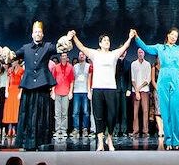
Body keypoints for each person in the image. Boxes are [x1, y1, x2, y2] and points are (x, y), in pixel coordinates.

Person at [128, 27, 179, 149]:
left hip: (176, 79)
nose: (174, 37)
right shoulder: (160, 48)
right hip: (163, 79)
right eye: (172, 34)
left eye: (176, 36)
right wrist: (136, 37)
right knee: (165, 111)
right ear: (168, 35)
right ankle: (168, 141)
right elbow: (146, 48)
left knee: (176, 111)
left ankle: (176, 141)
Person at [66, 30, 131, 150]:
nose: (107, 42)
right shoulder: (95, 54)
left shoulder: (114, 54)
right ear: (100, 43)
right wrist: (74, 37)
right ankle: (100, 142)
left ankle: (109, 139)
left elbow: (125, 46)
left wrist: (130, 37)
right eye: (105, 40)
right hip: (97, 88)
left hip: (111, 88)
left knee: (112, 116)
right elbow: (82, 47)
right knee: (98, 116)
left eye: (108, 40)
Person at [16, 22, 59, 150]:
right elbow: (13, 56)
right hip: (28, 85)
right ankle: (26, 142)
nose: (38, 34)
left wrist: (68, 38)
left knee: (40, 114)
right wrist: (3, 53)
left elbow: (61, 48)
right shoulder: (26, 47)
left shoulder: (48, 46)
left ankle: (39, 141)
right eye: (36, 32)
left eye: (40, 32)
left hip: (42, 85)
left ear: (42, 34)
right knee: (27, 113)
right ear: (32, 34)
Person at [50, 51, 76, 141]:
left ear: (67, 57)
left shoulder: (70, 67)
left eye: (65, 56)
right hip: (57, 92)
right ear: (60, 58)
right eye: (62, 56)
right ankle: (58, 130)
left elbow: (72, 81)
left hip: (66, 92)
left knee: (64, 113)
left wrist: (70, 92)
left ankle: (64, 130)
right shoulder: (56, 67)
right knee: (57, 113)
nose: (64, 57)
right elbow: (53, 80)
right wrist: (52, 92)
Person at [130, 49, 154, 138]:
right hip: (135, 90)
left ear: (144, 54)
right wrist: (136, 91)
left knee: (145, 110)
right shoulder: (133, 64)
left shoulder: (147, 64)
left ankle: (145, 131)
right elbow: (132, 79)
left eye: (142, 52)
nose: (140, 54)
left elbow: (148, 79)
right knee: (135, 111)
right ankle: (135, 131)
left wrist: (139, 89)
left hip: (144, 90)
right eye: (139, 52)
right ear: (137, 53)